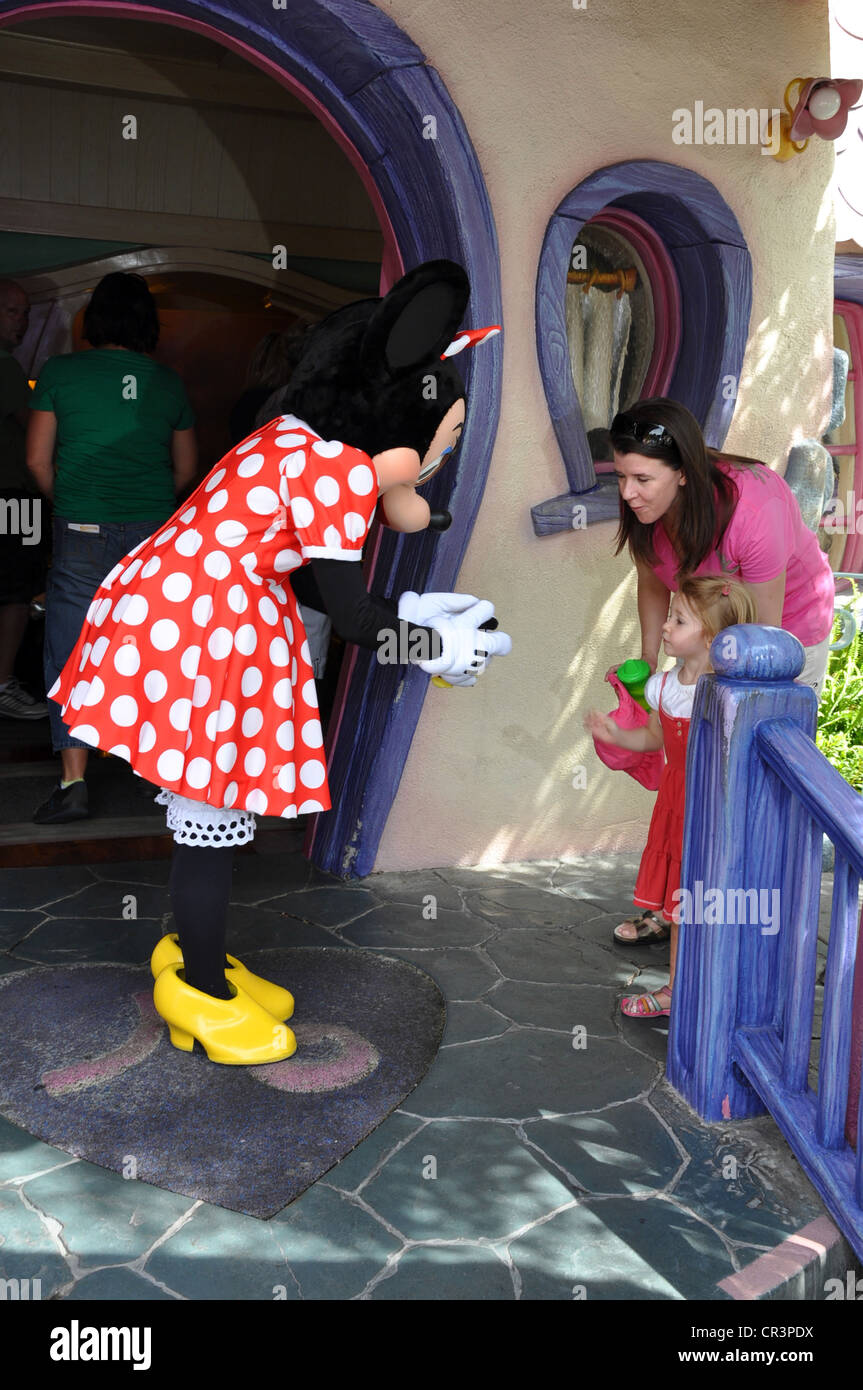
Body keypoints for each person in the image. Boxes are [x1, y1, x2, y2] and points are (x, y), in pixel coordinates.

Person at [46, 259, 511, 1066]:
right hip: (207, 629)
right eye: (446, 433)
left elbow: (355, 569)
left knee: (207, 815)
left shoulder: (294, 438)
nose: (446, 448)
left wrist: (419, 616)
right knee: (210, 813)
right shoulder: (331, 466)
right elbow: (356, 611)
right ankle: (198, 993)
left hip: (193, 611)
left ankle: (195, 958)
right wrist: (435, 645)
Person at [27, 272, 197, 824]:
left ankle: (74, 782)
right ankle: (158, 772)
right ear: (146, 322)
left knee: (70, 650)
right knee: (148, 650)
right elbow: (187, 470)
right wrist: (142, 508)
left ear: (93, 320)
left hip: (81, 530)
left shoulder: (60, 372)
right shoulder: (168, 382)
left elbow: (35, 460)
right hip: (152, 535)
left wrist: (76, 502)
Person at [585, 575, 757, 1018]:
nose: (664, 626)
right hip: (677, 806)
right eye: (669, 616)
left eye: (678, 620)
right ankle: (676, 992)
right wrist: (617, 733)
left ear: (713, 638)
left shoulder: (727, 693)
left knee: (715, 906)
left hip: (715, 807)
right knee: (681, 906)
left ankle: (723, 994)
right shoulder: (664, 686)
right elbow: (652, 738)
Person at [610, 398, 835, 700]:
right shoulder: (644, 503)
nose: (627, 493)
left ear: (684, 473)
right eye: (621, 476)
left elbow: (762, 637)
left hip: (786, 629)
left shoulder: (755, 509)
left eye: (642, 479)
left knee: (759, 731)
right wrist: (649, 659)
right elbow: (653, 582)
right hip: (708, 623)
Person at [0, 278, 48, 720]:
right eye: (14, 311)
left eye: (26, 312)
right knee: (16, 590)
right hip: (14, 495)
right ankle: (3, 684)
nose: (23, 321)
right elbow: (35, 425)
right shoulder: (7, 367)